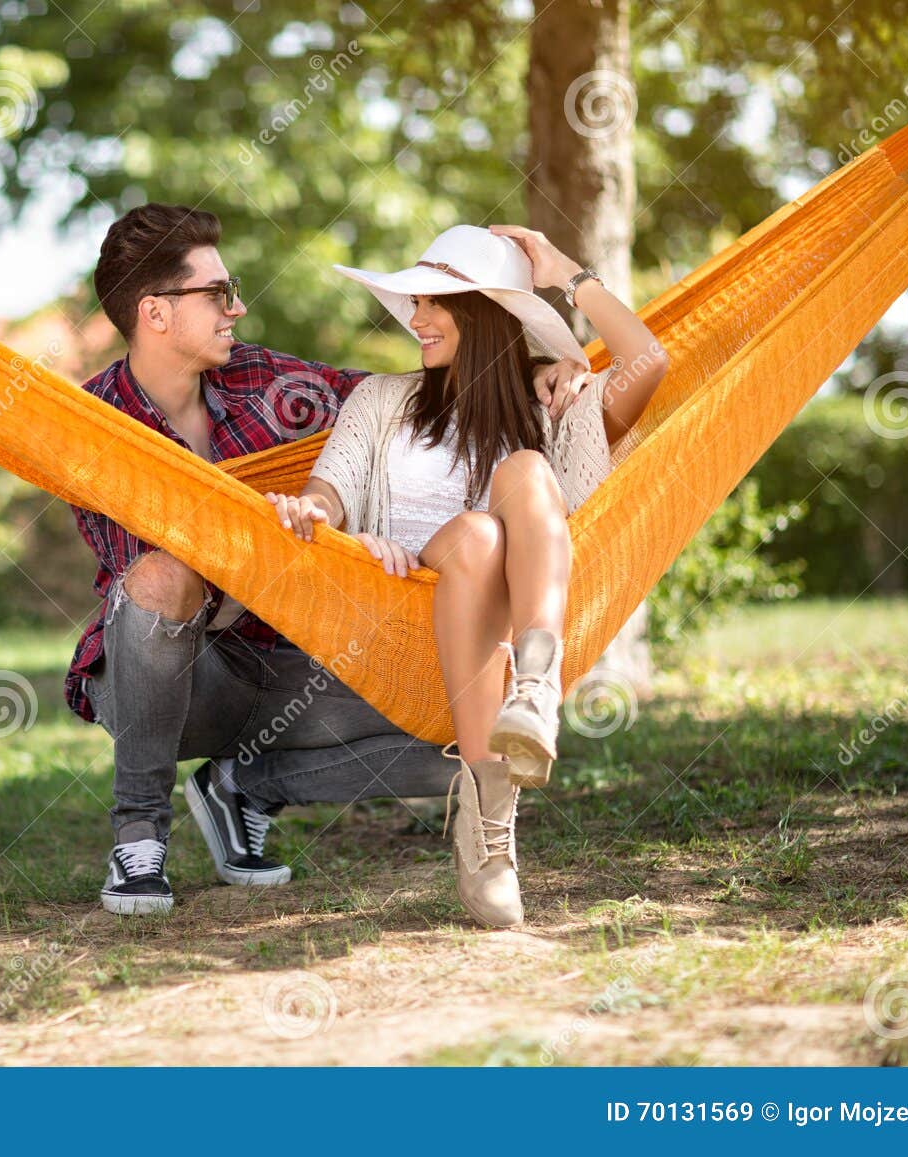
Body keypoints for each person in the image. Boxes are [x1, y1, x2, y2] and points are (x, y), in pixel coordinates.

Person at [68, 204, 589, 917]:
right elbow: (160, 592)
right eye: (219, 294)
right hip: (180, 686)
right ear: (156, 313)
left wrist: (526, 364)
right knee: (164, 574)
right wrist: (285, 562)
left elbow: (398, 398)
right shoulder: (92, 427)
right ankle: (138, 838)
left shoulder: (265, 381)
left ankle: (247, 784)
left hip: (290, 672)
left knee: (474, 731)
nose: (238, 307)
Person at [266, 223, 668, 926]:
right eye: (415, 302)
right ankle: (494, 824)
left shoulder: (552, 408)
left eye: (435, 302)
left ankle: (525, 719)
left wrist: (566, 272)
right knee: (481, 530)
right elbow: (331, 488)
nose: (416, 319)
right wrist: (330, 521)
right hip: (398, 600)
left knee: (520, 479)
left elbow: (649, 361)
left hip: (496, 619)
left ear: (487, 310)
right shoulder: (382, 399)